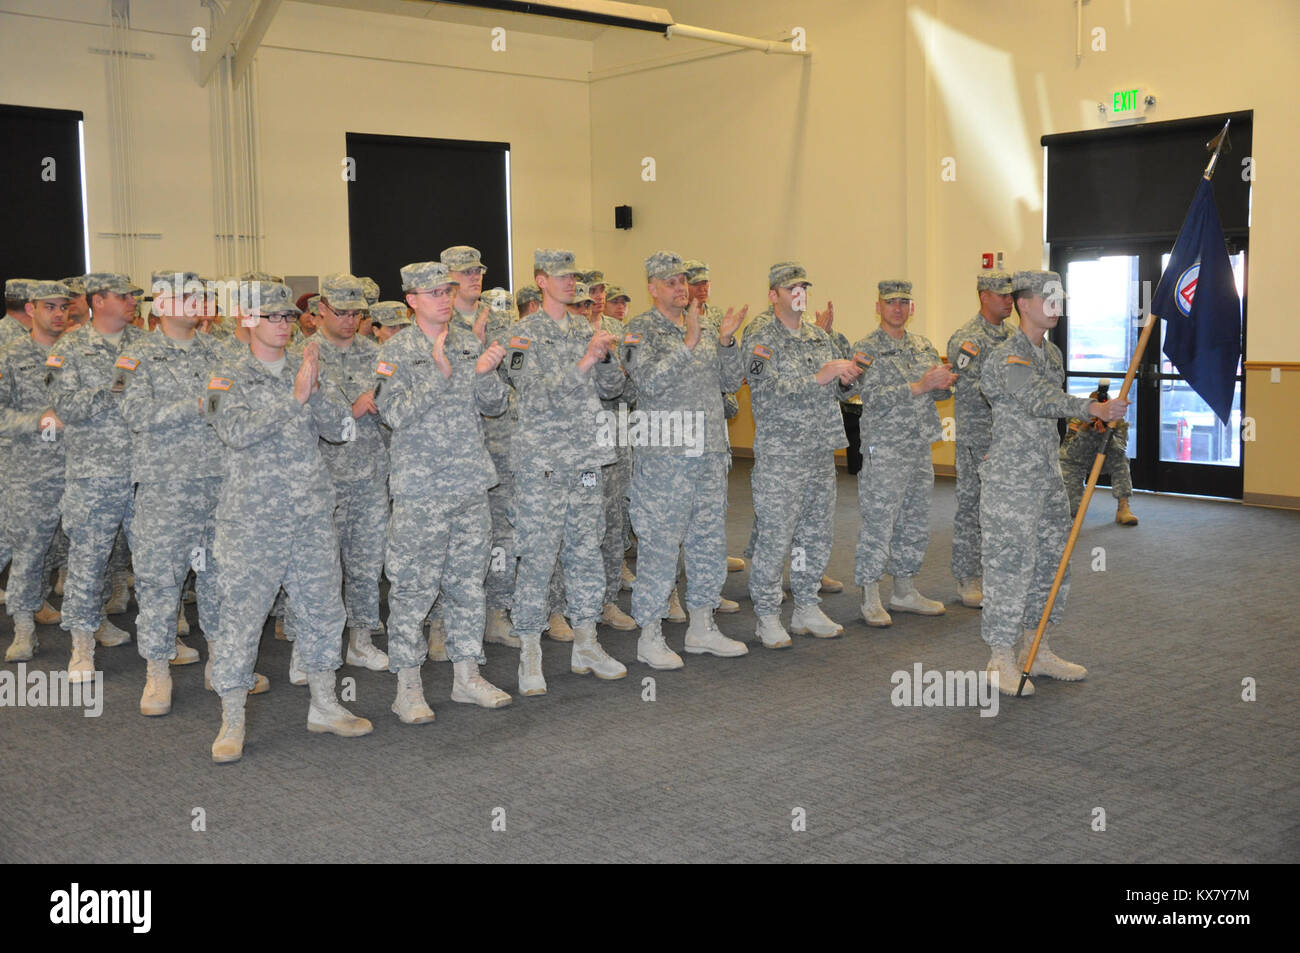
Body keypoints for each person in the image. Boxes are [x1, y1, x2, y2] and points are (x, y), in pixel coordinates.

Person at [206, 279, 369, 762]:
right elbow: (233, 431)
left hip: (311, 514)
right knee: (241, 619)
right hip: (252, 519)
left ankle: (324, 705)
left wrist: (315, 393)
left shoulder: (307, 366)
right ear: (248, 320)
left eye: (287, 318)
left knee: (322, 611)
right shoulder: (223, 372)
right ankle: (231, 720)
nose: (282, 326)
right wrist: (293, 399)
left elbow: (342, 431)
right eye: (272, 317)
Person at [978, 270, 1128, 695]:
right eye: (1048, 299)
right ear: (1023, 304)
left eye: (1059, 299)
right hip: (1011, 483)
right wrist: (1091, 407)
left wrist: (1091, 417)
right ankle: (1000, 657)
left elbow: (1051, 410)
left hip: (1046, 477)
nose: (1056, 307)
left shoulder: (1053, 354)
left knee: (1052, 566)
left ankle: (1036, 648)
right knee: (1010, 567)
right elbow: (1038, 399)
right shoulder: (1007, 355)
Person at [375, 261, 512, 721]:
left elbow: (493, 407)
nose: (444, 298)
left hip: (470, 484)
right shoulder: (396, 350)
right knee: (413, 590)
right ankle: (408, 687)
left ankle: (466, 676)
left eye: (448, 290)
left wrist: (488, 372)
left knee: (467, 586)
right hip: (421, 491)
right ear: (411, 299)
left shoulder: (468, 341)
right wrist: (438, 372)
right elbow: (393, 415)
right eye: (433, 292)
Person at [503, 249, 628, 695]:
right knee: (538, 556)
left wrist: (606, 357)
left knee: (585, 551)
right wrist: (587, 360)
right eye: (560, 276)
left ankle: (587, 643)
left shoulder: (586, 329)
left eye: (573, 275)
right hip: (544, 465)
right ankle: (530, 653)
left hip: (587, 461)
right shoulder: (520, 336)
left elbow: (614, 389)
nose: (570, 282)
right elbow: (534, 396)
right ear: (541, 280)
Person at [622, 251, 748, 667]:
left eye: (684, 281)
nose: (681, 288)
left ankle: (701, 626)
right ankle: (651, 634)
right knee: (660, 543)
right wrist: (688, 344)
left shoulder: (708, 324)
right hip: (666, 456)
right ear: (653, 287)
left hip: (710, 451)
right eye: (671, 282)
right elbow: (649, 383)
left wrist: (726, 342)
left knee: (708, 540)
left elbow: (731, 383)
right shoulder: (640, 330)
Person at [119, 270, 231, 714]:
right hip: (166, 490)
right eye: (187, 296)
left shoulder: (220, 351)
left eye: (200, 295)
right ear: (162, 305)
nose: (197, 302)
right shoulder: (136, 355)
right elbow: (133, 412)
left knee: (219, 578)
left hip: (219, 484)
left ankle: (221, 662)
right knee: (159, 581)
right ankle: (158, 672)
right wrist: (195, 406)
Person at [744, 263, 861, 647]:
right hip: (782, 455)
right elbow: (765, 392)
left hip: (818, 453)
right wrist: (821, 377)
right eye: (790, 287)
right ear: (773, 294)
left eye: (803, 286)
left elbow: (834, 392)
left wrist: (844, 381)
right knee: (776, 537)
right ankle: (766, 613)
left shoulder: (817, 336)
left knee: (813, 537)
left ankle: (806, 605)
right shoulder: (760, 336)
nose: (799, 293)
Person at [843, 280, 956, 627]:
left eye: (904, 302)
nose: (897, 308)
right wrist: (920, 385)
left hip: (920, 444)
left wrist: (942, 383)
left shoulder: (923, 346)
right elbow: (867, 396)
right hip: (886, 447)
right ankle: (871, 593)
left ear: (912, 308)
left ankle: (904, 590)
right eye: (890, 302)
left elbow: (936, 397)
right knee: (880, 521)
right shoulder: (865, 349)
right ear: (878, 307)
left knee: (915, 520)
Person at [53, 272, 148, 680]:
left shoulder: (146, 345)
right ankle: (81, 645)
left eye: (134, 296)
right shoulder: (70, 347)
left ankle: (160, 642)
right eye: (124, 296)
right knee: (89, 560)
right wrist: (112, 390)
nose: (132, 301)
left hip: (147, 472)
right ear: (99, 300)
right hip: (95, 474)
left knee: (151, 562)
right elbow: (66, 406)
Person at [310, 274, 389, 670]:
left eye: (354, 313)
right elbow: (301, 412)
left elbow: (391, 405)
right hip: (322, 479)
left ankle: (360, 639)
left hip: (370, 474)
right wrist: (351, 410)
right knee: (319, 569)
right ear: (322, 309)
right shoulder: (303, 354)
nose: (347, 320)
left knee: (366, 563)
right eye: (339, 312)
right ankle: (307, 650)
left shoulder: (375, 353)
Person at [0, 281, 73, 662]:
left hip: (78, 468)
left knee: (82, 552)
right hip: (30, 472)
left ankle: (87, 626)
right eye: (50, 307)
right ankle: (24, 628)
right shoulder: (11, 356)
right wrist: (38, 420)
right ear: (31, 310)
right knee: (28, 550)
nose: (59, 314)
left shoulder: (78, 353)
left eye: (64, 307)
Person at [946, 271, 1015, 608]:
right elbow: (961, 383)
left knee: (1006, 510)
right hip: (978, 437)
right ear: (983, 296)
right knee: (973, 509)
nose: (1008, 301)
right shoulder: (968, 341)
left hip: (1010, 439)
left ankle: (999, 574)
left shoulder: (1016, 337)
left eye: (1010, 295)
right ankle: (968, 576)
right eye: (1001, 295)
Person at [1059, 387, 1139, 525]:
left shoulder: (1119, 423)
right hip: (1078, 460)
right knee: (1073, 511)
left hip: (1105, 460)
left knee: (1121, 460)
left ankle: (1123, 507)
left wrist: (1107, 434)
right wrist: (1085, 430)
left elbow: (1119, 450)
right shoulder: (1077, 419)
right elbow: (1070, 452)